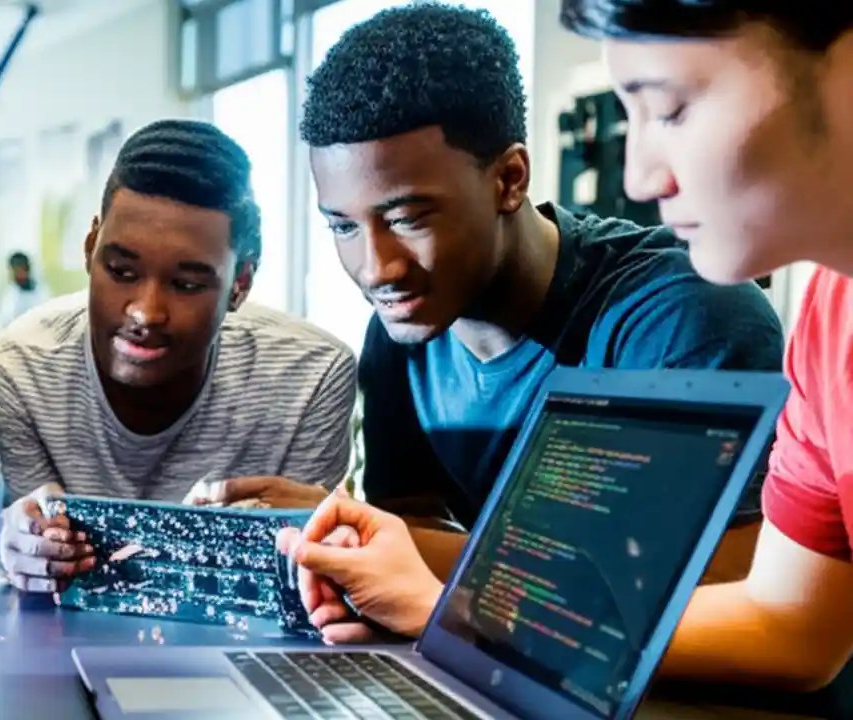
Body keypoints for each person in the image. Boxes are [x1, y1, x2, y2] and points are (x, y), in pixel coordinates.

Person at [264, 0, 781, 603]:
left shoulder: (681, 317)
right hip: (515, 668)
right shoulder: (403, 332)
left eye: (406, 219)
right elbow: (414, 526)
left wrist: (345, 535)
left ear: (509, 180)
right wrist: (355, 543)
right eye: (343, 228)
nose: (377, 268)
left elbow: (716, 586)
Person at [553, 0, 853, 695]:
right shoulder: (829, 314)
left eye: (670, 109)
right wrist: (459, 611)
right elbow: (789, 623)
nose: (640, 178)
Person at [0, 119, 357, 593]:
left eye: (186, 285)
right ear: (89, 247)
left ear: (240, 282)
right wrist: (22, 546)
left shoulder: (312, 378)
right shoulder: (20, 369)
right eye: (121, 271)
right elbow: (31, 552)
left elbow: (302, 585)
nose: (145, 312)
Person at [0, 251, 49, 328]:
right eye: (15, 269)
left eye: (21, 268)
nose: (18, 272)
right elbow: (6, 321)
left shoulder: (40, 290)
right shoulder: (11, 295)